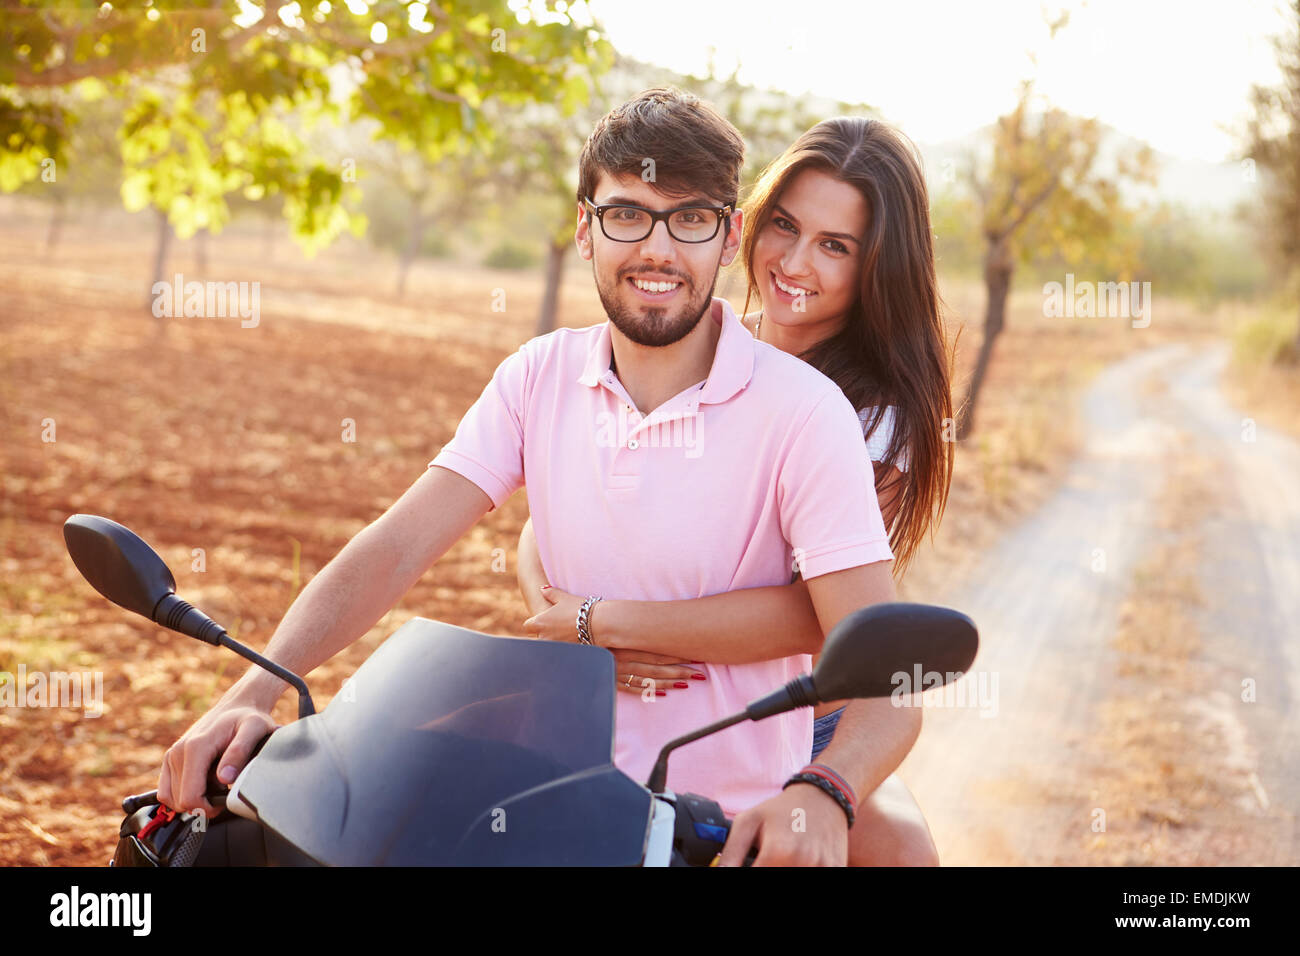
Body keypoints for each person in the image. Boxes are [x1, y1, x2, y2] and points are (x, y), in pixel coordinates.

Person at [158, 87, 914, 866]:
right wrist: (250, 691)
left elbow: (884, 673)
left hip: (711, 832)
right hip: (540, 799)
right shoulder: (537, 376)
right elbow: (395, 548)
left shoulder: (809, 413)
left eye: (689, 219)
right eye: (627, 215)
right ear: (585, 229)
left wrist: (822, 790)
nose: (657, 250)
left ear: (728, 238)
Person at [516, 117, 955, 866]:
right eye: (784, 225)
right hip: (640, 666)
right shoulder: (701, 341)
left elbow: (812, 617)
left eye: (835, 246)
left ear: (875, 268)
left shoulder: (872, 415)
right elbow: (553, 516)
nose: (793, 260)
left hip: (803, 706)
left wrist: (610, 622)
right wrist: (576, 628)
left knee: (902, 855)